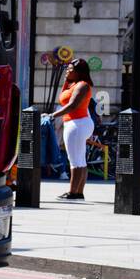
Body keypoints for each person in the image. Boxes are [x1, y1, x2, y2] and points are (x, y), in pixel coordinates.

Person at [49, 58, 95, 200]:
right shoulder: (73, 84)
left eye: (70, 70)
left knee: (75, 160)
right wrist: (66, 78)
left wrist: (52, 115)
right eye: (67, 69)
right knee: (80, 160)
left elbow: (72, 105)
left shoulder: (82, 85)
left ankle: (72, 192)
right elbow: (63, 98)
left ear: (79, 72)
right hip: (76, 123)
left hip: (77, 124)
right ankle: (78, 192)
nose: (67, 71)